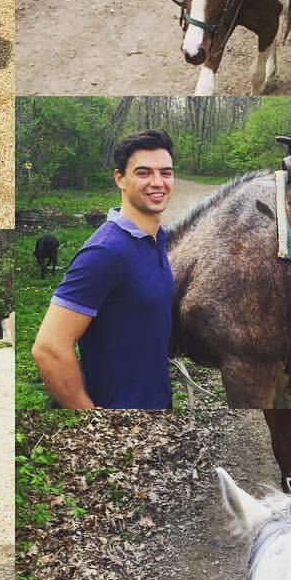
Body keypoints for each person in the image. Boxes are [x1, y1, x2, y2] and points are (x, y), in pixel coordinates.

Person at [31, 130, 175, 411]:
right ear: (120, 178)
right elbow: (48, 348)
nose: (158, 182)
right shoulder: (105, 253)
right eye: (143, 173)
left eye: (166, 173)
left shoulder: (156, 239)